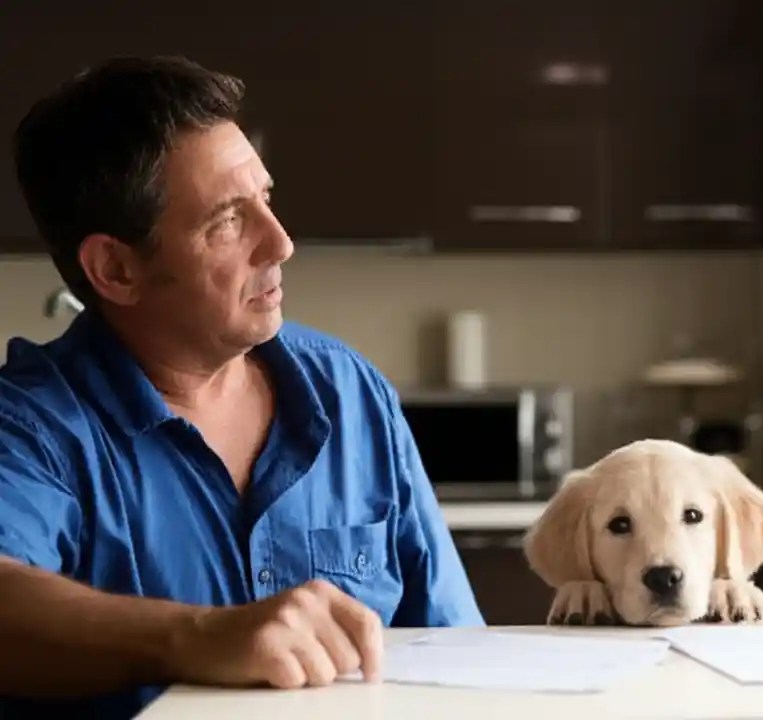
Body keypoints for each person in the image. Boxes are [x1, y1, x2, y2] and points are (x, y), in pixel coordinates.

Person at [0, 56, 484, 718]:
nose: (280, 243)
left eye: (267, 200)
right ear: (115, 269)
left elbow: (458, 649)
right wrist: (199, 637)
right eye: (228, 220)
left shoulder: (351, 392)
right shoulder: (30, 426)